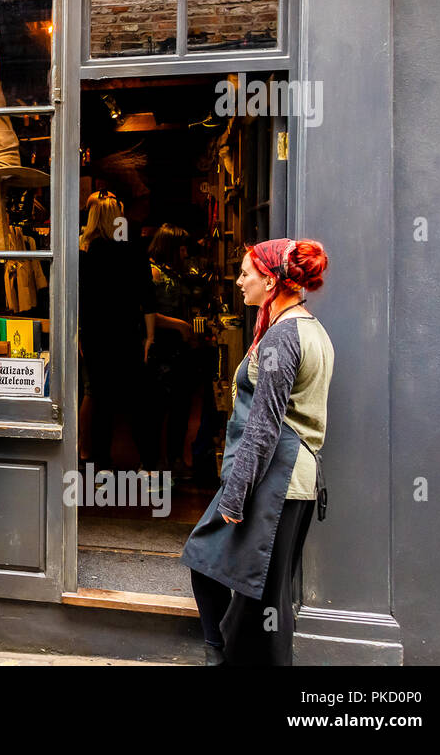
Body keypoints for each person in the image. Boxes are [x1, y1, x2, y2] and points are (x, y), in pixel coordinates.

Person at [181, 238, 333, 666]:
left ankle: (223, 655)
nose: (239, 280)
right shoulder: (309, 328)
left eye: (246, 272)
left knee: (262, 597)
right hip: (286, 478)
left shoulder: (283, 337)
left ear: (270, 280)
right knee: (243, 581)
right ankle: (219, 653)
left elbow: (264, 426)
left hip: (277, 479)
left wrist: (234, 495)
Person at [77, 190, 156, 475]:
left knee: (101, 399)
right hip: (128, 333)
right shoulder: (134, 249)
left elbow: (78, 301)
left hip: (96, 335)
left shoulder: (85, 255)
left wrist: (78, 335)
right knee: (137, 400)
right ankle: (147, 463)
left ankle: (101, 465)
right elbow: (148, 296)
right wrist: (150, 337)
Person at [142, 224, 199, 484]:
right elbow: (146, 313)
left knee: (179, 406)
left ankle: (175, 460)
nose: (186, 252)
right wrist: (180, 325)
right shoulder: (152, 272)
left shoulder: (174, 272)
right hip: (161, 347)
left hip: (179, 349)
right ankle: (151, 463)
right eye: (183, 247)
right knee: (155, 408)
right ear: (172, 248)